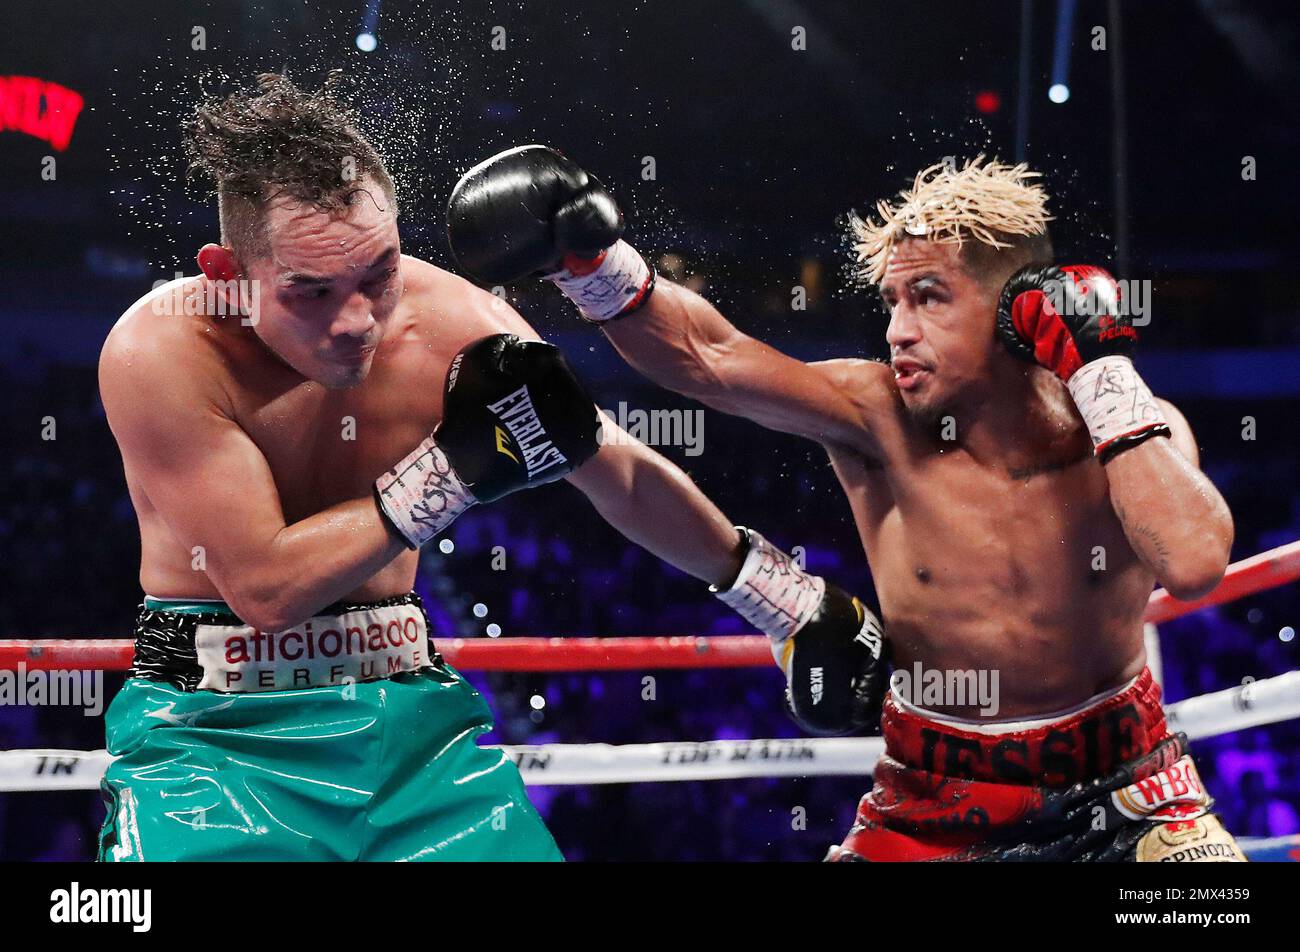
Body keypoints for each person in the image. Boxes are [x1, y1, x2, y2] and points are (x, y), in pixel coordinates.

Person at [95, 75, 886, 862]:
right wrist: (454, 470)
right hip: (209, 738)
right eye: (311, 292)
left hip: (405, 730)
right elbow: (268, 589)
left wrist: (788, 604)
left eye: (378, 274)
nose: (356, 321)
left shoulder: (453, 328)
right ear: (229, 274)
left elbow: (610, 464)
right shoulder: (164, 351)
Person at [447, 146, 1247, 862]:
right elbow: (711, 358)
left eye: (929, 298)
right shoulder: (877, 416)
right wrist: (590, 264)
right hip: (933, 799)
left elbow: (1195, 561)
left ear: (1015, 309)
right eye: (893, 301)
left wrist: (1100, 371)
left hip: (1131, 788)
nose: (898, 330)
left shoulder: (1124, 428)